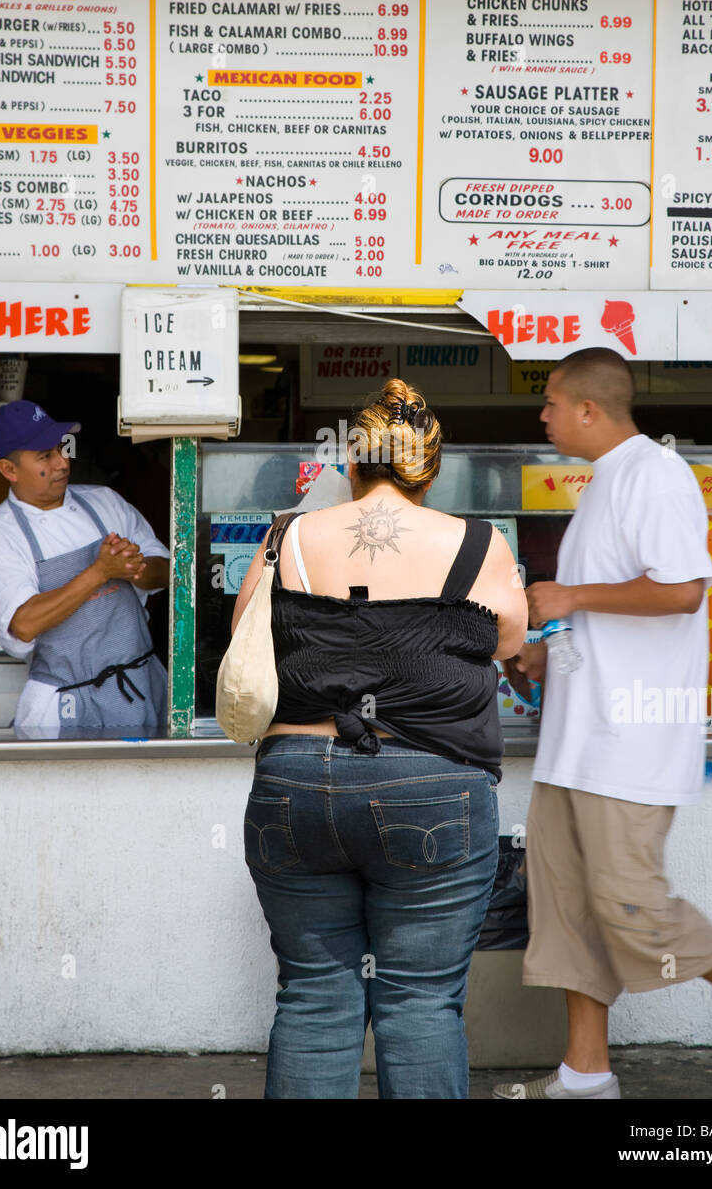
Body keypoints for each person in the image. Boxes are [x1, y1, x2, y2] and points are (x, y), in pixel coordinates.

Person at [493, 348, 712, 1101]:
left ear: (590, 409)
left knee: (633, 910)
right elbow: (612, 612)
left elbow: (681, 592)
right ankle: (585, 1075)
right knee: (565, 914)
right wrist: (541, 653)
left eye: (553, 403)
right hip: (575, 743)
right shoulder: (603, 484)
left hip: (627, 745)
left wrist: (567, 599)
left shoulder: (654, 474)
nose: (544, 415)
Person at [233, 379, 527, 1099]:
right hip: (431, 785)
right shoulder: (480, 544)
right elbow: (509, 638)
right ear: (430, 468)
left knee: (312, 997)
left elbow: (247, 629)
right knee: (419, 1002)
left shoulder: (288, 536)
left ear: (353, 463)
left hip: (294, 780)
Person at [0, 400, 170, 740]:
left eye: (61, 448)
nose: (63, 462)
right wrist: (100, 571)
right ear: (9, 469)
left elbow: (168, 570)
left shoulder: (105, 501)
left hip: (139, 687)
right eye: (44, 456)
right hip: (65, 706)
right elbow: (23, 623)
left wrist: (133, 567)